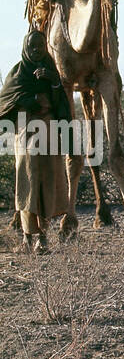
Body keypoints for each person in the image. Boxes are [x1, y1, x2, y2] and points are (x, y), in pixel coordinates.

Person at [0, 29, 73, 252]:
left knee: (48, 179)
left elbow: (62, 103)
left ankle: (42, 235)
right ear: (25, 47)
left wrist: (53, 83)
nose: (36, 50)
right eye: (32, 46)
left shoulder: (51, 71)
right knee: (28, 177)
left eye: (40, 46)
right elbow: (5, 100)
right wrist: (26, 99)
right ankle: (27, 234)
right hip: (26, 128)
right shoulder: (18, 73)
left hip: (48, 128)